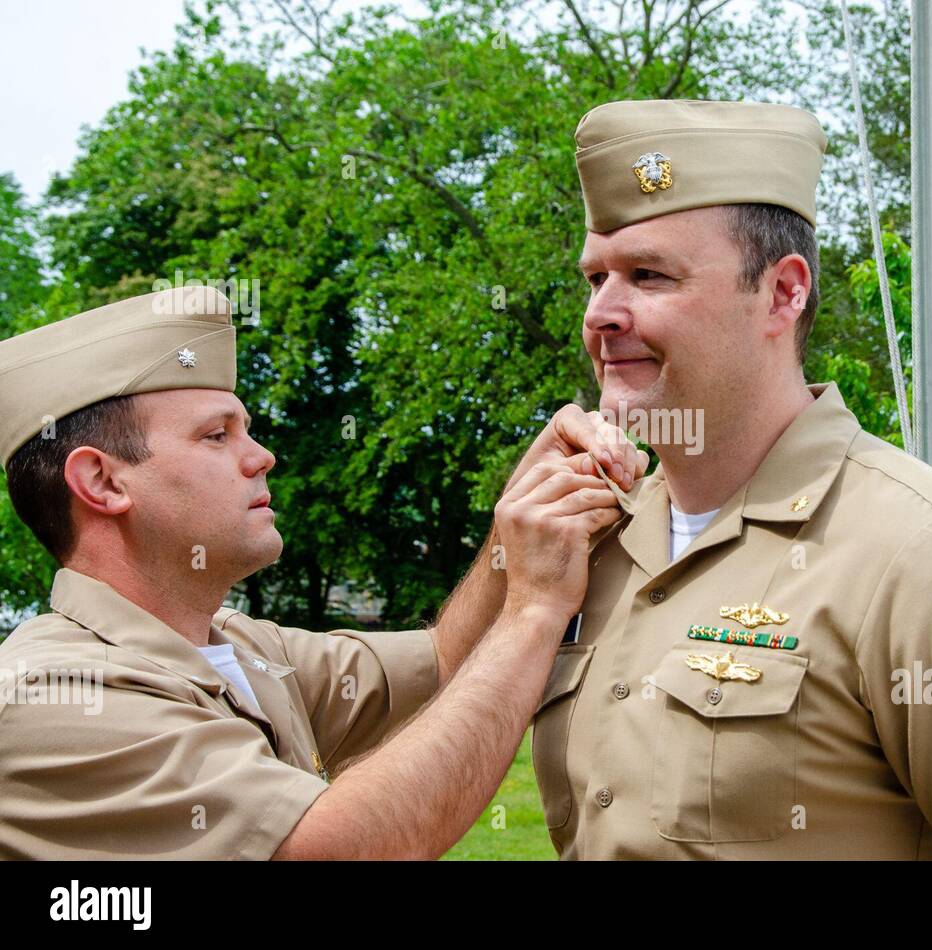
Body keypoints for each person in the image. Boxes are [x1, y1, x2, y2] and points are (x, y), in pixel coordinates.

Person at [526, 98, 932, 860]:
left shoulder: (927, 557)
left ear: (784, 293)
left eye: (649, 276)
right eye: (595, 278)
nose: (602, 314)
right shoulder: (597, 542)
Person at [0, 285, 644, 859]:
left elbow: (445, 662)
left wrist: (521, 508)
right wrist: (533, 610)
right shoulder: (53, 693)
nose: (261, 457)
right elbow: (340, 850)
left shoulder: (238, 647)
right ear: (101, 481)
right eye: (216, 436)